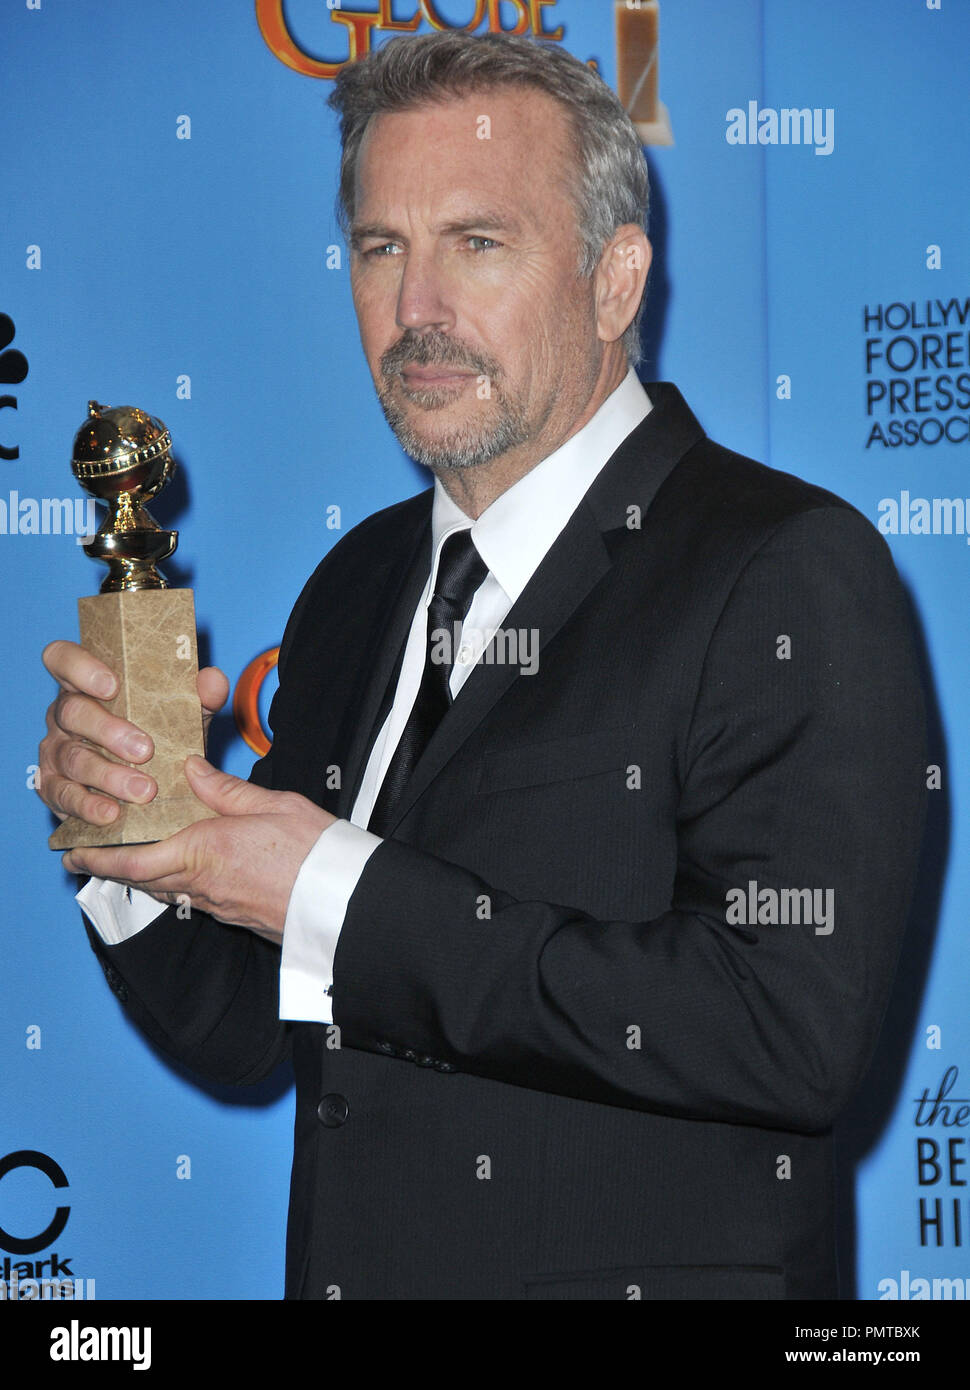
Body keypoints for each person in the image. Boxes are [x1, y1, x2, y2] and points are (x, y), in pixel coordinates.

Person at [37, 32, 926, 1300]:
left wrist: (336, 888)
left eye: (477, 242)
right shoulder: (357, 582)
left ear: (614, 279)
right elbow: (244, 1030)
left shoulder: (779, 565)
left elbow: (786, 1028)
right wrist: (132, 845)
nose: (416, 310)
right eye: (381, 248)